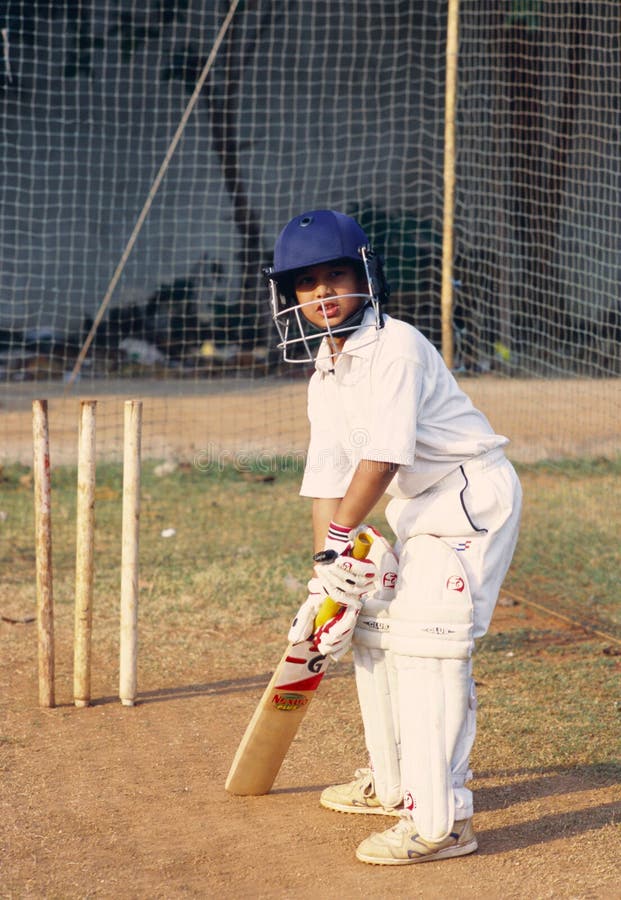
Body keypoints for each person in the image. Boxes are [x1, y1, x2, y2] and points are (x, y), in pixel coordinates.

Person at [264, 209, 522, 865]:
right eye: (306, 284)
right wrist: (328, 569)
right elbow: (327, 471)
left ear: (363, 277)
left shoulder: (397, 347)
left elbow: (380, 460)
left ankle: (441, 824)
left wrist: (345, 537)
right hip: (416, 508)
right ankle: (394, 784)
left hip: (466, 499)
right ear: (288, 296)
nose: (321, 293)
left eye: (335, 276)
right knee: (372, 626)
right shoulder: (326, 365)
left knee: (427, 645)